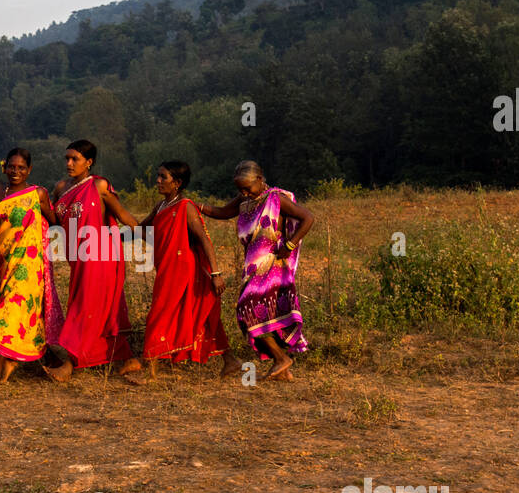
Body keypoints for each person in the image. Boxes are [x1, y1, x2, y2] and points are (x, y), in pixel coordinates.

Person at [199, 160, 316, 381]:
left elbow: (308, 218)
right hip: (253, 269)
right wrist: (198, 207)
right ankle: (283, 368)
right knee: (266, 314)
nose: (243, 193)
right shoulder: (245, 199)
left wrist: (289, 245)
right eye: (239, 189)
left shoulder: (276, 199)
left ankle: (282, 358)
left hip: (273, 266)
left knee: (247, 312)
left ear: (260, 180)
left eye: (247, 188)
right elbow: (223, 212)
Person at [45, 139, 141, 381]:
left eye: (74, 159)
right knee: (97, 310)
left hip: (100, 256)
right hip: (76, 258)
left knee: (83, 308)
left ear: (88, 162)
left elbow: (122, 215)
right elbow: (55, 223)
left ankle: (69, 364)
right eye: (67, 158)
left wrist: (147, 235)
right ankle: (126, 357)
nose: (69, 163)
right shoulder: (60, 188)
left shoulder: (98, 186)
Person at [131, 161, 234, 381]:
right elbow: (141, 230)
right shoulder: (161, 206)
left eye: (163, 177)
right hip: (166, 267)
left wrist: (216, 274)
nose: (157, 181)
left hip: (182, 270)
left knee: (159, 312)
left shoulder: (185, 206)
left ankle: (151, 368)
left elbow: (204, 239)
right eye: (158, 176)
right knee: (201, 315)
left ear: (177, 183)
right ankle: (231, 361)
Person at [0, 148, 64, 385]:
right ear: (4, 167)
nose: (16, 172)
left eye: (21, 168)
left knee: (10, 308)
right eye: (11, 167)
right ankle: (20, 363)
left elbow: (54, 221)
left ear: (29, 170)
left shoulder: (38, 194)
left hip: (31, 263)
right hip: (5, 260)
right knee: (22, 312)